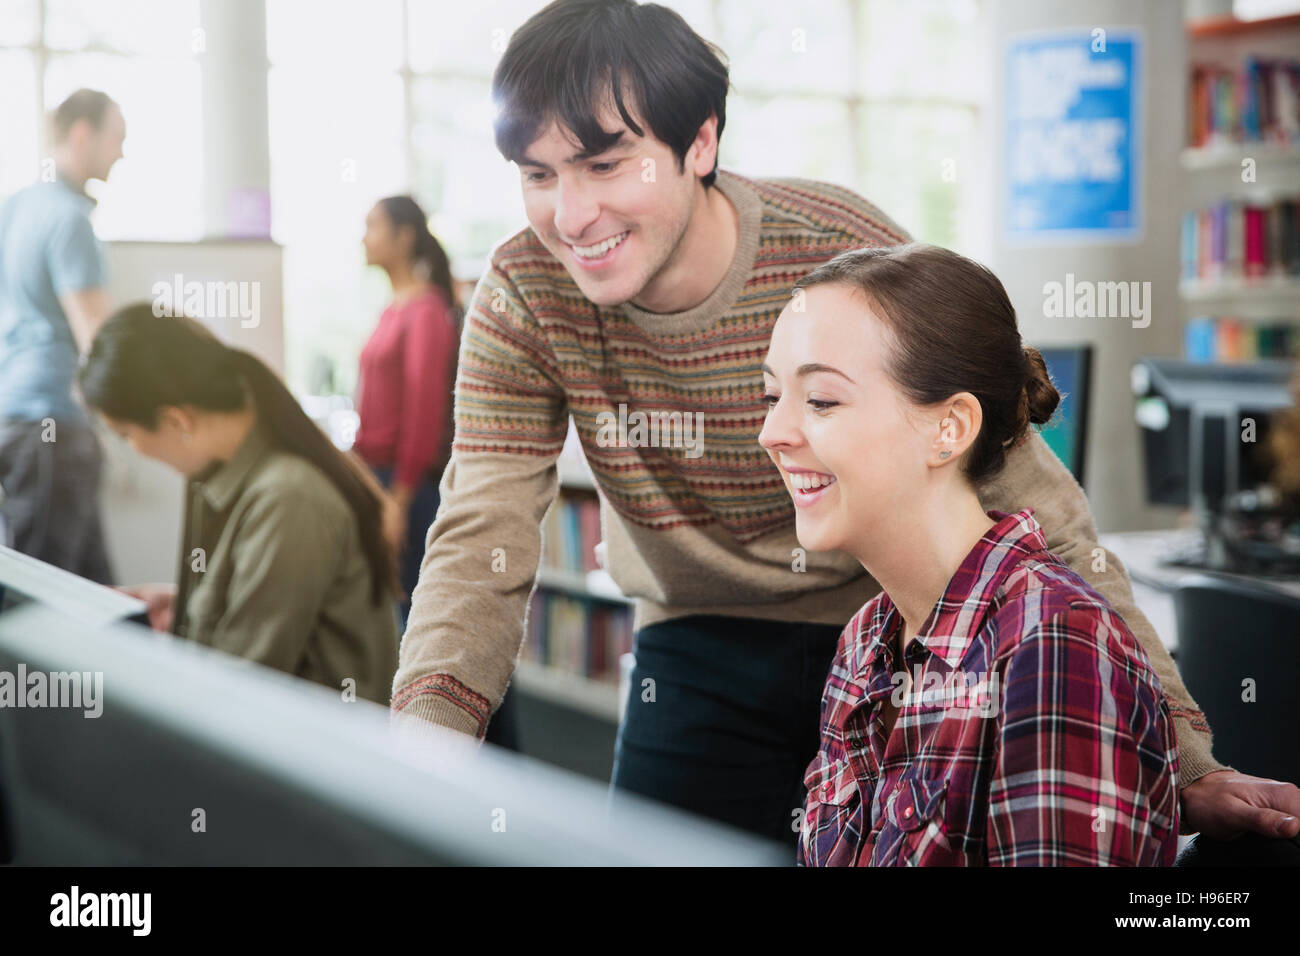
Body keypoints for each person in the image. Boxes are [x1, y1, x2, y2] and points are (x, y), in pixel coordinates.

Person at [391, 0, 1300, 845]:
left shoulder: (834, 254)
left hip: (888, 623)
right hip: (696, 638)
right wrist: (414, 763)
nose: (571, 214)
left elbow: (1033, 499)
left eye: (603, 164)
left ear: (700, 142)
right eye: (538, 175)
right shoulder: (524, 290)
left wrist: (1186, 757)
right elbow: (482, 536)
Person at [771, 245, 1179, 865]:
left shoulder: (1053, 643)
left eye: (821, 400)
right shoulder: (864, 641)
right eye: (770, 395)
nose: (772, 431)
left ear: (950, 428)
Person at [78, 305, 399, 705]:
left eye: (125, 434)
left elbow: (235, 695)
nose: (133, 450)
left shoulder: (287, 498)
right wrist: (186, 603)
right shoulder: (222, 473)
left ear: (178, 421)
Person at [0, 89, 125, 581]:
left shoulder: (13, 209)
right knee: (46, 597)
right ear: (81, 133)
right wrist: (124, 425)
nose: (122, 152)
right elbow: (96, 336)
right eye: (118, 138)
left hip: (16, 417)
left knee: (93, 588)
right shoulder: (70, 220)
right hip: (53, 426)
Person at [354, 195, 460, 626]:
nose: (364, 238)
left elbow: (424, 411)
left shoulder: (427, 311)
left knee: (418, 617)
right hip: (378, 479)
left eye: (372, 226)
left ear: (404, 236)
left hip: (408, 488)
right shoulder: (394, 307)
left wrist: (398, 496)